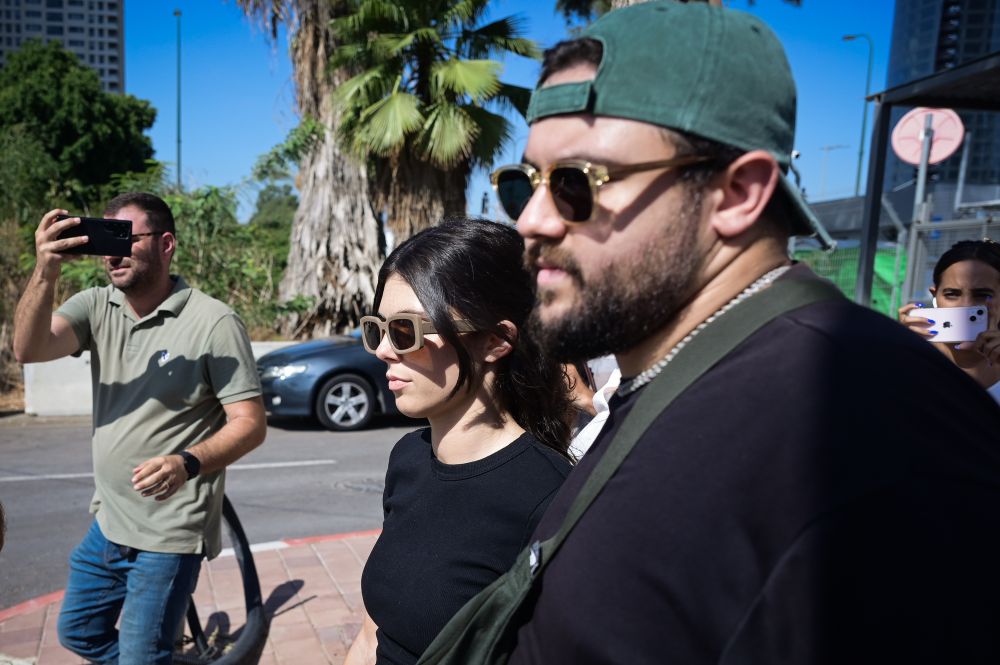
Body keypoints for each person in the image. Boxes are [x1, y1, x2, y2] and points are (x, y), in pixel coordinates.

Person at [458, 2, 1000, 663]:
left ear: (738, 193)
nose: (531, 221)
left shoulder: (861, 426)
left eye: (576, 183)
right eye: (525, 184)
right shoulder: (687, 373)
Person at [13, 193, 266, 664]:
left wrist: (187, 462)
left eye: (125, 238)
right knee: (78, 632)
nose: (112, 254)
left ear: (166, 244)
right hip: (109, 522)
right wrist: (46, 269)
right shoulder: (96, 306)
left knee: (141, 656)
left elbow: (250, 424)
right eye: (105, 240)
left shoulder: (213, 322)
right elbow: (28, 349)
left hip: (169, 534)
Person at [345, 219, 573, 665]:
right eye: (377, 329)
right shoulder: (409, 457)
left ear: (495, 341)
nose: (383, 350)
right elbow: (373, 634)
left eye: (405, 331)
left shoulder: (550, 499)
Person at [898, 239, 1000, 402]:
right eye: (952, 294)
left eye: (982, 295)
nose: (965, 305)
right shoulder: (909, 359)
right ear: (935, 296)